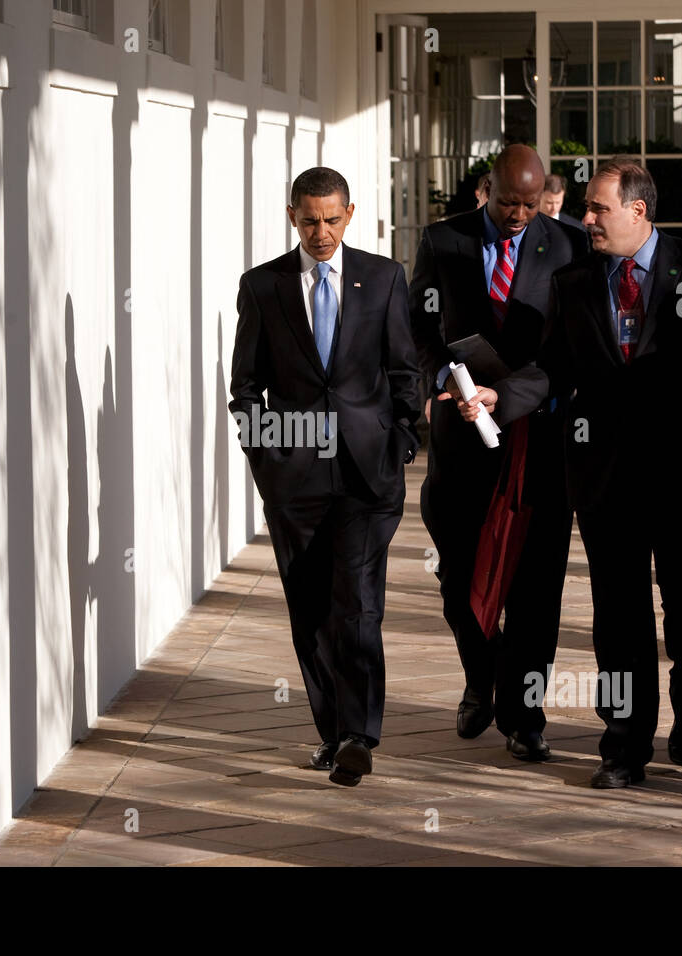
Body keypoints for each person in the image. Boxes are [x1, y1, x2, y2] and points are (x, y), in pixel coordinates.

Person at [494, 160, 682, 788]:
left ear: (638, 211)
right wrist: (502, 397)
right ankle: (624, 744)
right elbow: (554, 369)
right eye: (586, 207)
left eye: (598, 209)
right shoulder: (574, 279)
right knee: (618, 617)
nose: (586, 219)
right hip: (606, 477)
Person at [229, 166, 421, 787]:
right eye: (309, 220)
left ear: (350, 214)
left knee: (358, 606)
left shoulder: (386, 278)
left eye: (332, 219)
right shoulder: (264, 286)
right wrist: (267, 462)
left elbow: (403, 373)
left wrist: (403, 443)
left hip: (368, 473)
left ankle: (360, 735)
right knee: (310, 611)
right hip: (295, 480)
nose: (321, 232)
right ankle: (334, 733)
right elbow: (245, 388)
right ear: (292, 217)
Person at [409, 145, 587, 760]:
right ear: (487, 190)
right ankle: (479, 678)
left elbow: (568, 356)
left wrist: (503, 394)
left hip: (537, 441)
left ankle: (524, 715)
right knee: (459, 581)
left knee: (536, 590)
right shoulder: (442, 241)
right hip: (461, 442)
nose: (518, 214)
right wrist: (446, 384)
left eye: (530, 205)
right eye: (508, 201)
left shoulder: (568, 246)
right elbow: (419, 330)